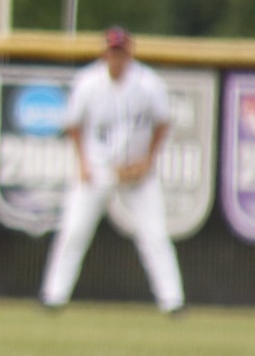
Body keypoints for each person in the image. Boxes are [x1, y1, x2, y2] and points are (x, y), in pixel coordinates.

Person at [38, 26, 184, 315]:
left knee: (154, 234)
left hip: (136, 172)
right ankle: (53, 296)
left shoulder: (148, 83)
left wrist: (147, 161)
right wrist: (82, 164)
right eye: (112, 51)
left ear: (130, 53)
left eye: (121, 51)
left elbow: (163, 122)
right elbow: (73, 125)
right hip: (99, 168)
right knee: (73, 231)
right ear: (104, 52)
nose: (116, 57)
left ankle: (173, 302)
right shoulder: (88, 82)